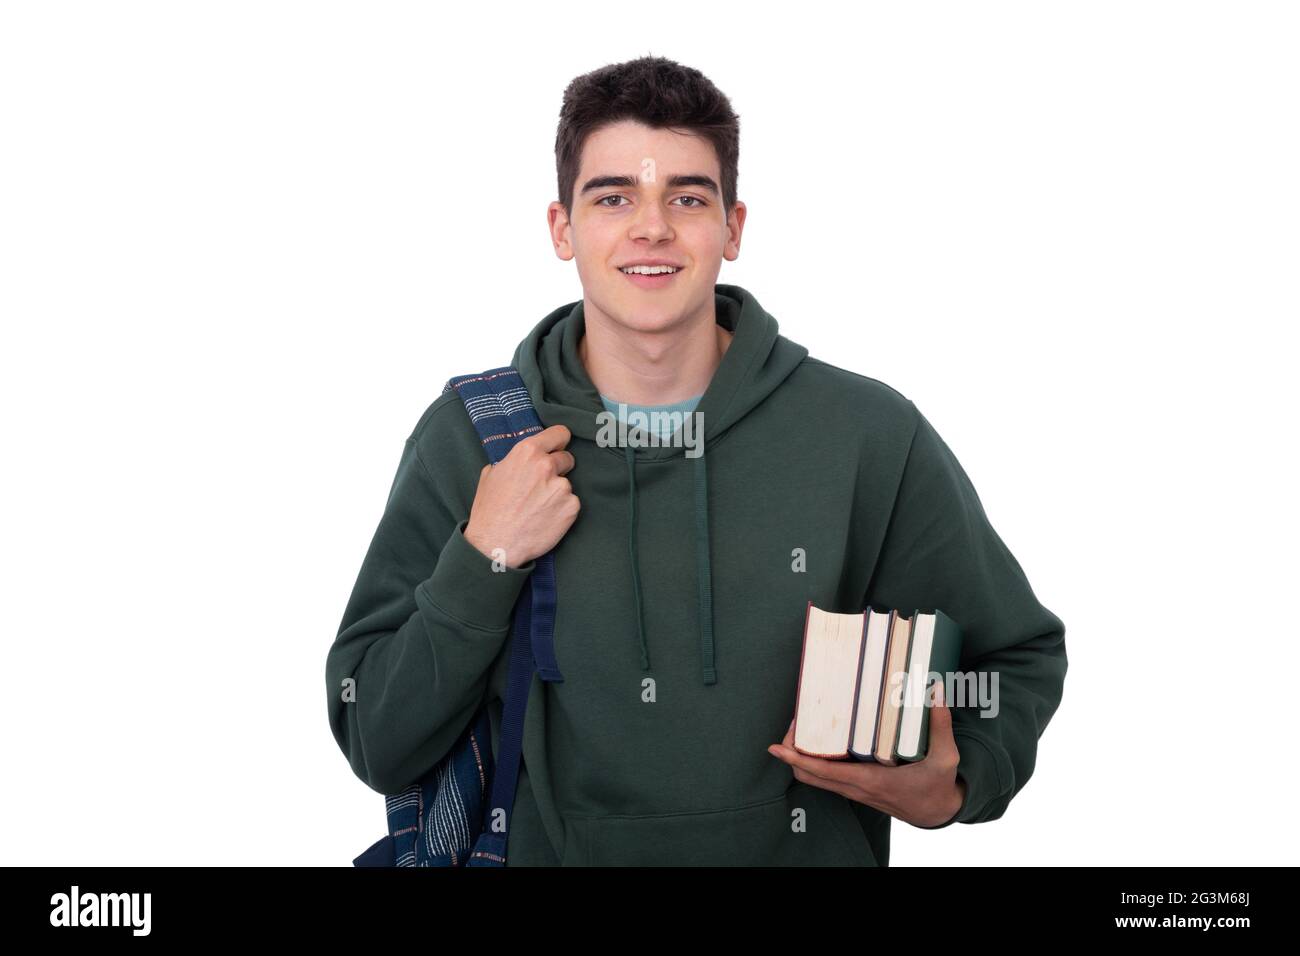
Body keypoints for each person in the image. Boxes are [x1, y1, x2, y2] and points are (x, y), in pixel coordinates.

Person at [325, 55, 1067, 866]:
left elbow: (1015, 657)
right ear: (561, 228)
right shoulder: (473, 439)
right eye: (613, 198)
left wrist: (958, 782)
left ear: (734, 228)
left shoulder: (865, 434)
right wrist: (484, 557)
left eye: (687, 197)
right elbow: (377, 736)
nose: (652, 228)